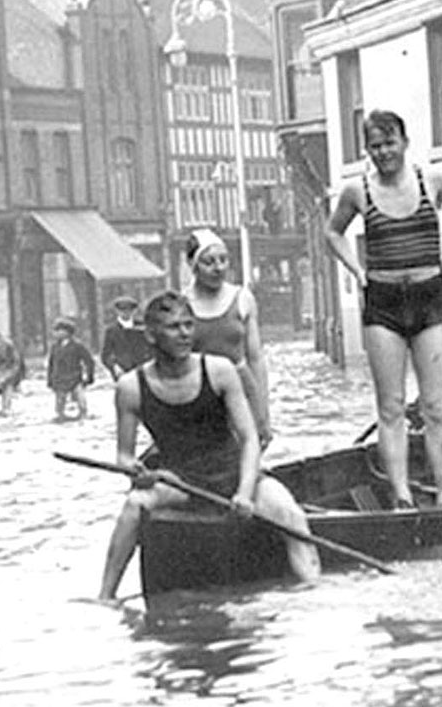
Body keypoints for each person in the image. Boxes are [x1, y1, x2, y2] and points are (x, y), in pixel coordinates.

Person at [97, 291, 320, 601]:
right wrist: (133, 470)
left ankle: (313, 591)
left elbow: (249, 438)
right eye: (174, 327)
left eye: (189, 325)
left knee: (291, 514)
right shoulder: (131, 387)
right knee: (135, 505)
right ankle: (106, 596)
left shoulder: (218, 370)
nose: (185, 333)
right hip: (181, 482)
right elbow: (123, 454)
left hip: (236, 474)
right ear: (150, 334)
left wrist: (243, 492)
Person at [325, 109, 442, 508]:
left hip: (429, 297)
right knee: (391, 407)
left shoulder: (433, 182)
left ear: (405, 143)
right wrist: (357, 269)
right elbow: (333, 231)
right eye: (375, 146)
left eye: (389, 143)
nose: (383, 152)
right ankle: (402, 495)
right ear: (367, 150)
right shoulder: (357, 191)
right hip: (383, 302)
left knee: (436, 406)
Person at [183, 229, 273, 446]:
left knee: (245, 454)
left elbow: (256, 359)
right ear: (193, 265)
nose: (218, 268)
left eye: (223, 260)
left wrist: (263, 412)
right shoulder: (181, 304)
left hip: (241, 391)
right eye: (209, 262)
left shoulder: (242, 298)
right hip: (200, 394)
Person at [47, 318, 94, 421]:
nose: (57, 333)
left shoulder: (77, 345)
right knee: (60, 400)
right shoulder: (55, 347)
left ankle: (83, 413)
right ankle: (61, 415)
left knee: (80, 398)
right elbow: (51, 364)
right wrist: (50, 380)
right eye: (56, 330)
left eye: (60, 330)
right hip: (59, 378)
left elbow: (89, 361)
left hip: (75, 377)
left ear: (68, 332)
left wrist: (89, 376)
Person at [100, 295, 152, 381]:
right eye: (122, 310)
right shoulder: (111, 331)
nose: (126, 313)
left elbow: (151, 347)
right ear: (117, 311)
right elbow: (106, 355)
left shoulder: (142, 326)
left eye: (129, 310)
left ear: (134, 311)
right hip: (122, 373)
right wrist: (114, 367)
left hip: (143, 372)